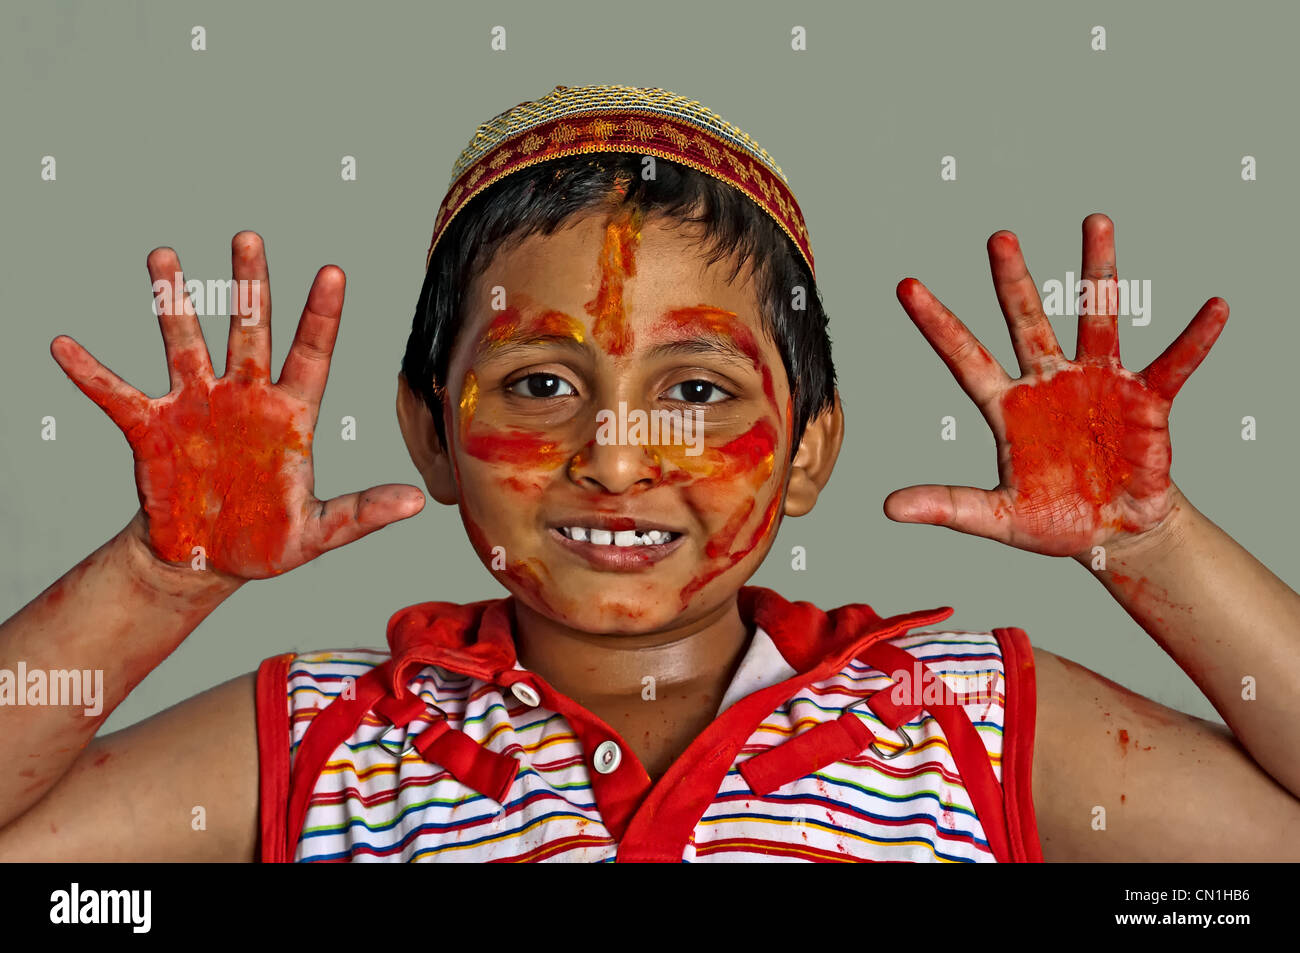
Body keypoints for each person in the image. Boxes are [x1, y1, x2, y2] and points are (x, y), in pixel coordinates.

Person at [1, 85, 1297, 862]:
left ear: (809, 454)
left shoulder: (957, 718)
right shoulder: (335, 739)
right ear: (427, 432)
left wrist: (1148, 541)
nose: (616, 457)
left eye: (696, 389)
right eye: (540, 384)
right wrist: (162, 575)